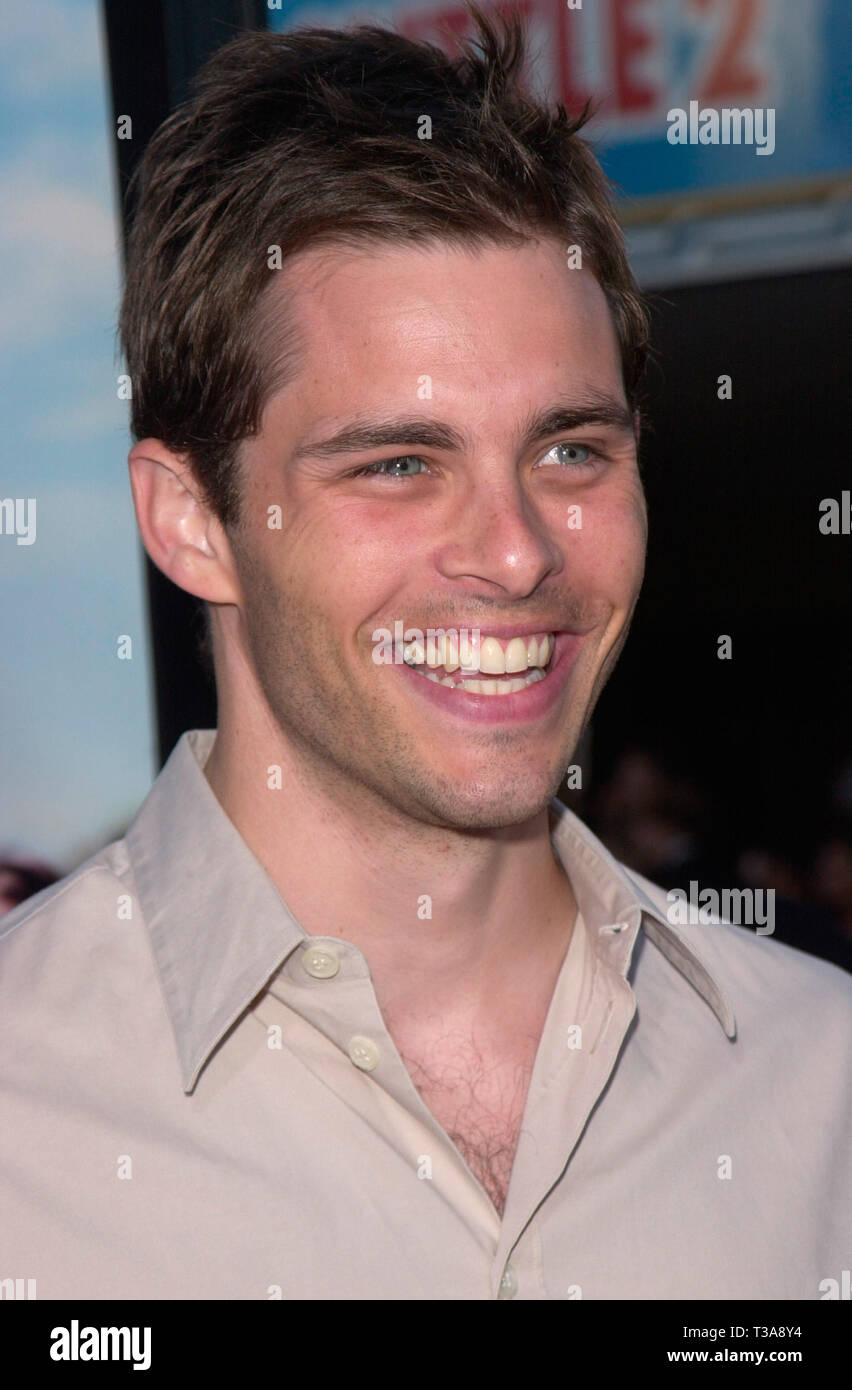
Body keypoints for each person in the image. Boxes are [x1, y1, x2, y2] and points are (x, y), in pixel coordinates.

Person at [1, 5, 849, 1302]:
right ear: (193, 523)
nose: (516, 554)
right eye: (399, 463)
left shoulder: (823, 1082)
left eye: (570, 449)